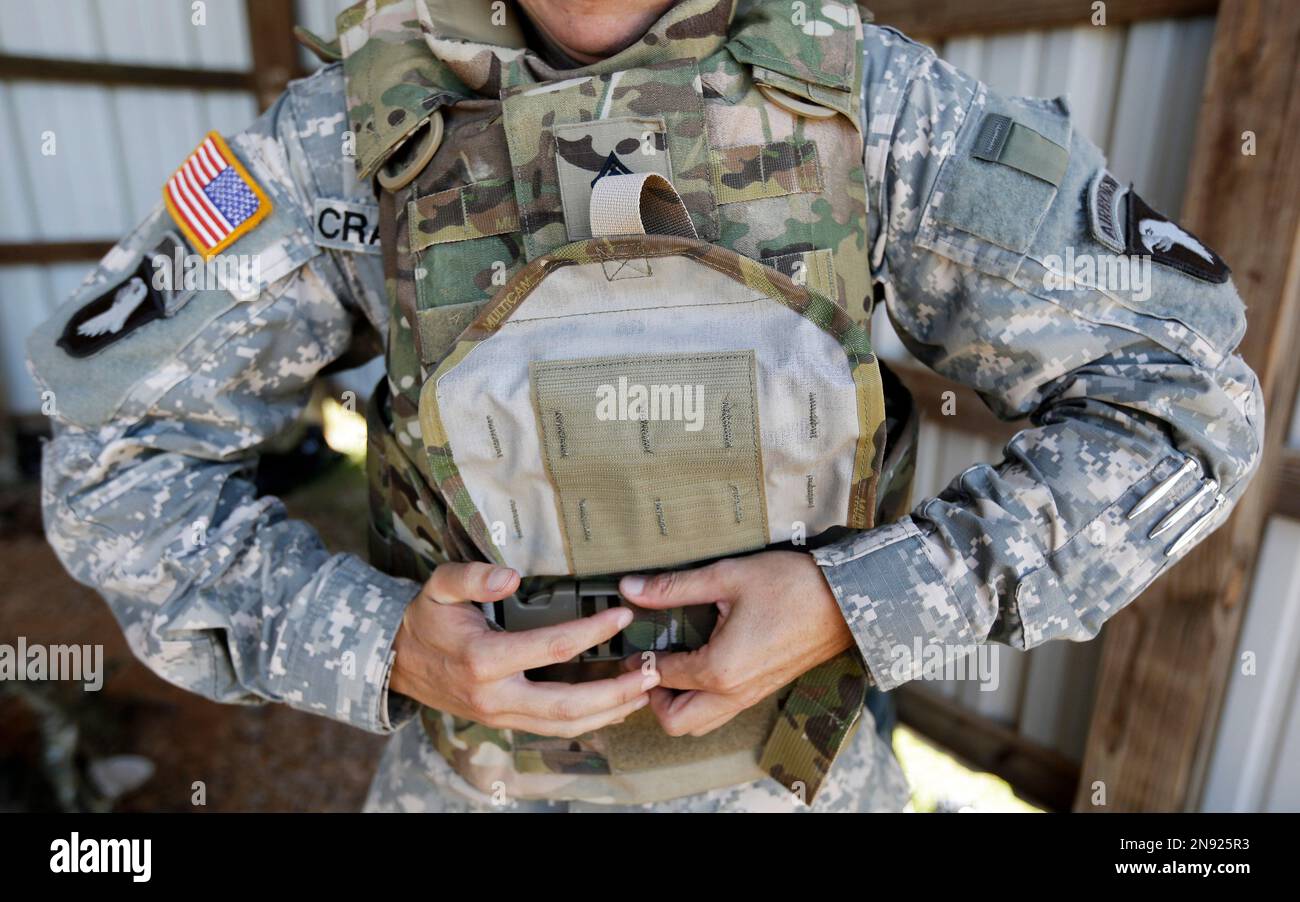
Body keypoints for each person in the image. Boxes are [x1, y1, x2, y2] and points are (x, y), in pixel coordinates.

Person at [27, 0, 1262, 812]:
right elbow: (113, 452)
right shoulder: (340, 139)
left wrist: (861, 600)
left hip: (794, 787)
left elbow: (1184, 401)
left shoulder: (880, 112)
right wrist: (373, 640)